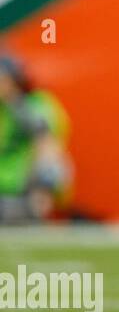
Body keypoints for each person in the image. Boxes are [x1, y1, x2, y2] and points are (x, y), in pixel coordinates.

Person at [0, 53, 72, 224]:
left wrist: (43, 187)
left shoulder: (35, 104)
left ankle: (34, 205)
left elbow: (48, 146)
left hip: (22, 191)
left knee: (52, 157)